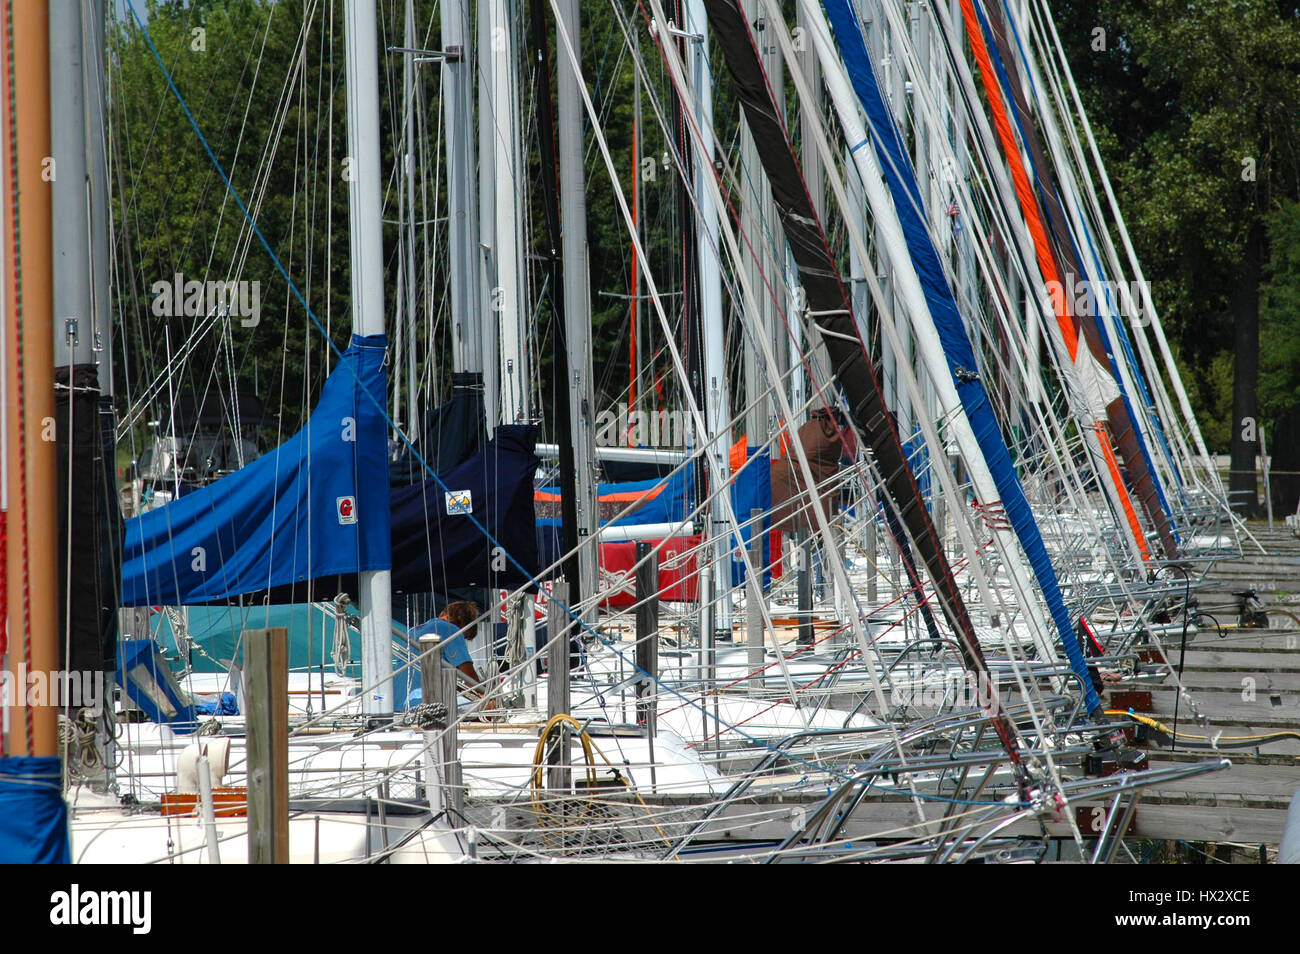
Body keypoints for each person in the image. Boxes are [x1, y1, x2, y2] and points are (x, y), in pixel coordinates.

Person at [412, 600, 497, 709]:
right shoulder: (451, 629)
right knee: (490, 707)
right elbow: (469, 677)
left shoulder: (413, 630)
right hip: (427, 702)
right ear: (463, 624)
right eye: (463, 636)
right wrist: (482, 693)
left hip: (400, 703)